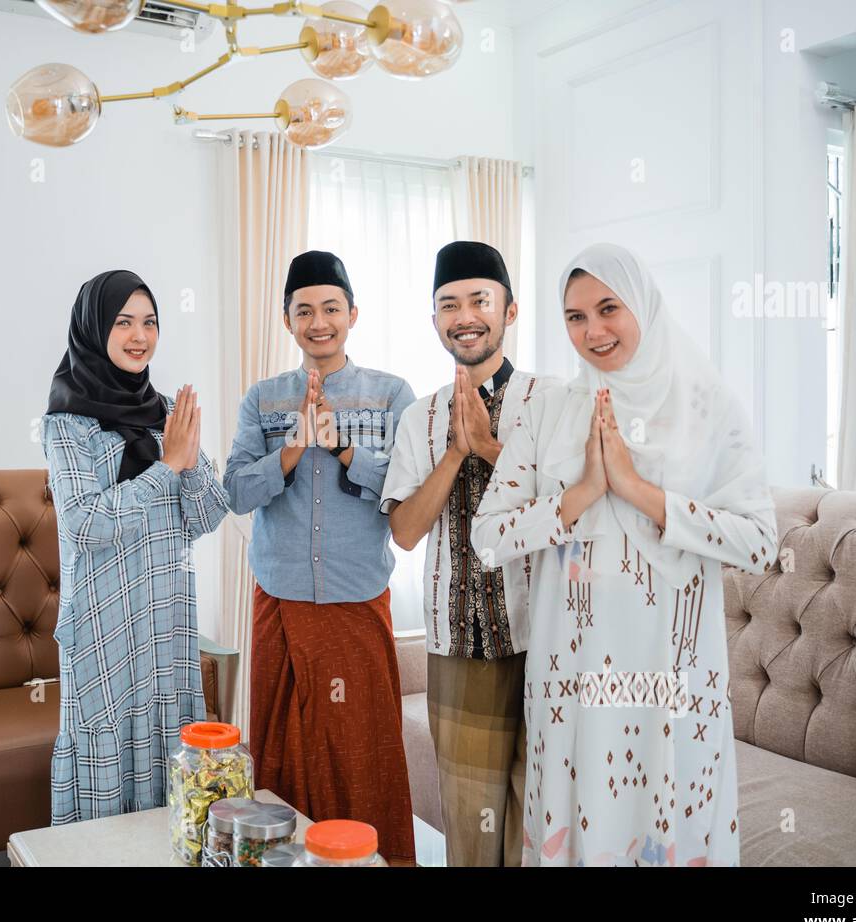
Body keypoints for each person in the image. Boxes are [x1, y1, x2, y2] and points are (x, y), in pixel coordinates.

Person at [471, 243, 777, 866]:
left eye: (608, 308)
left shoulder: (709, 409)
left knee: (667, 820)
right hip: (571, 670)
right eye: (575, 316)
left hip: (673, 669)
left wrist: (640, 491)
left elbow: (760, 543)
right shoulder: (551, 410)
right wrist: (580, 494)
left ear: (643, 305)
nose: (593, 331)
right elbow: (488, 538)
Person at [223, 249, 418, 865]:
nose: (318, 322)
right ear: (287, 321)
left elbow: (408, 490)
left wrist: (340, 449)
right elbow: (234, 491)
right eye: (304, 310)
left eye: (330, 307)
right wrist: (291, 450)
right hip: (278, 596)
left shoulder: (391, 395)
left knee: (360, 749)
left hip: (356, 598)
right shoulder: (263, 399)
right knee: (281, 751)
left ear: (353, 314)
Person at [380, 240, 560, 866]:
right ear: (434, 322)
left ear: (510, 311)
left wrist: (488, 447)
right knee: (471, 828)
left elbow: (570, 512)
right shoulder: (420, 418)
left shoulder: (550, 401)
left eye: (480, 300)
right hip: (458, 648)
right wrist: (456, 453)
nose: (465, 315)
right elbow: (404, 531)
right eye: (448, 304)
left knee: (545, 816)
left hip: (550, 641)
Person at [41, 269, 228, 823]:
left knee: (169, 756)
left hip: (166, 619)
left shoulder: (166, 411)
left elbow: (207, 513)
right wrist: (167, 467)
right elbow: (84, 524)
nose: (139, 335)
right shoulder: (67, 423)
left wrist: (187, 465)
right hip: (102, 627)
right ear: (94, 328)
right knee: (105, 754)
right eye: (123, 322)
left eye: (149, 322)